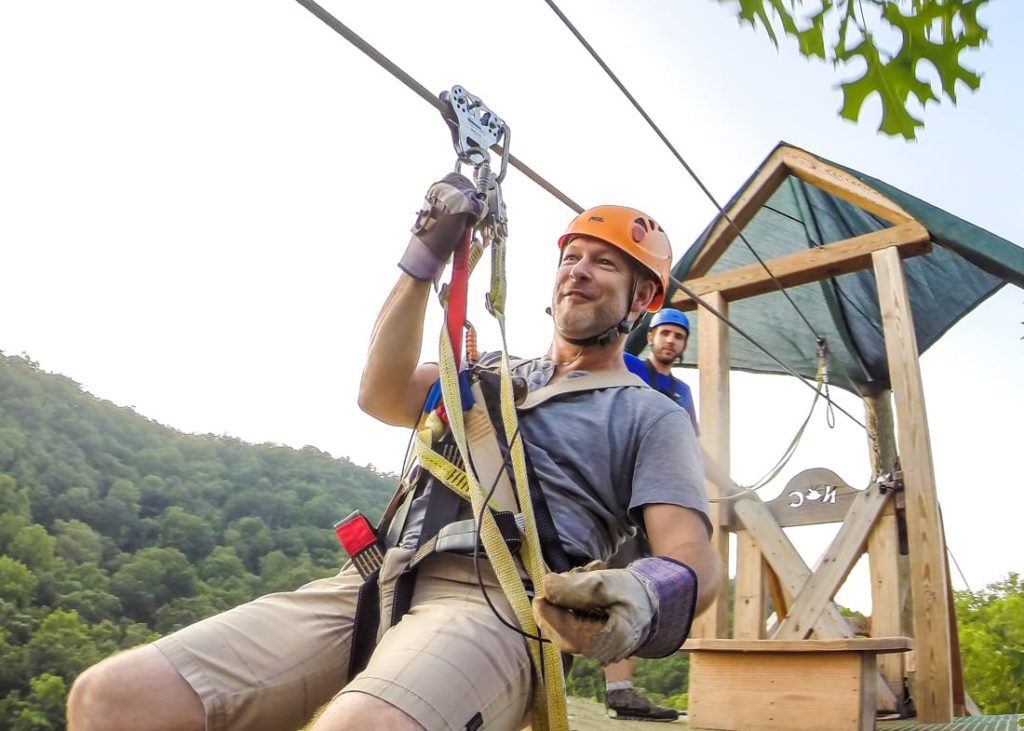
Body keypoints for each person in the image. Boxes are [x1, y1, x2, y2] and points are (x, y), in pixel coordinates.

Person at [67, 174, 720, 731]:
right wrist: (424, 258)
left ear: (642, 297)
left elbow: (693, 557)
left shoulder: (650, 414)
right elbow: (380, 391)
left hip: (497, 606)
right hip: (374, 581)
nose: (577, 269)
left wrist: (642, 595)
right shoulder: (484, 373)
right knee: (114, 698)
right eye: (571, 256)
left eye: (604, 262)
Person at [602, 308, 697, 721]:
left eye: (678, 336)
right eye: (665, 333)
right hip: (613, 490)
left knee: (638, 587)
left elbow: (689, 446)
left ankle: (621, 691)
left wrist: (727, 486)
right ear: (651, 336)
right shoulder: (628, 364)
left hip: (652, 499)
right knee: (601, 584)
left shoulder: (681, 392)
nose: (671, 341)